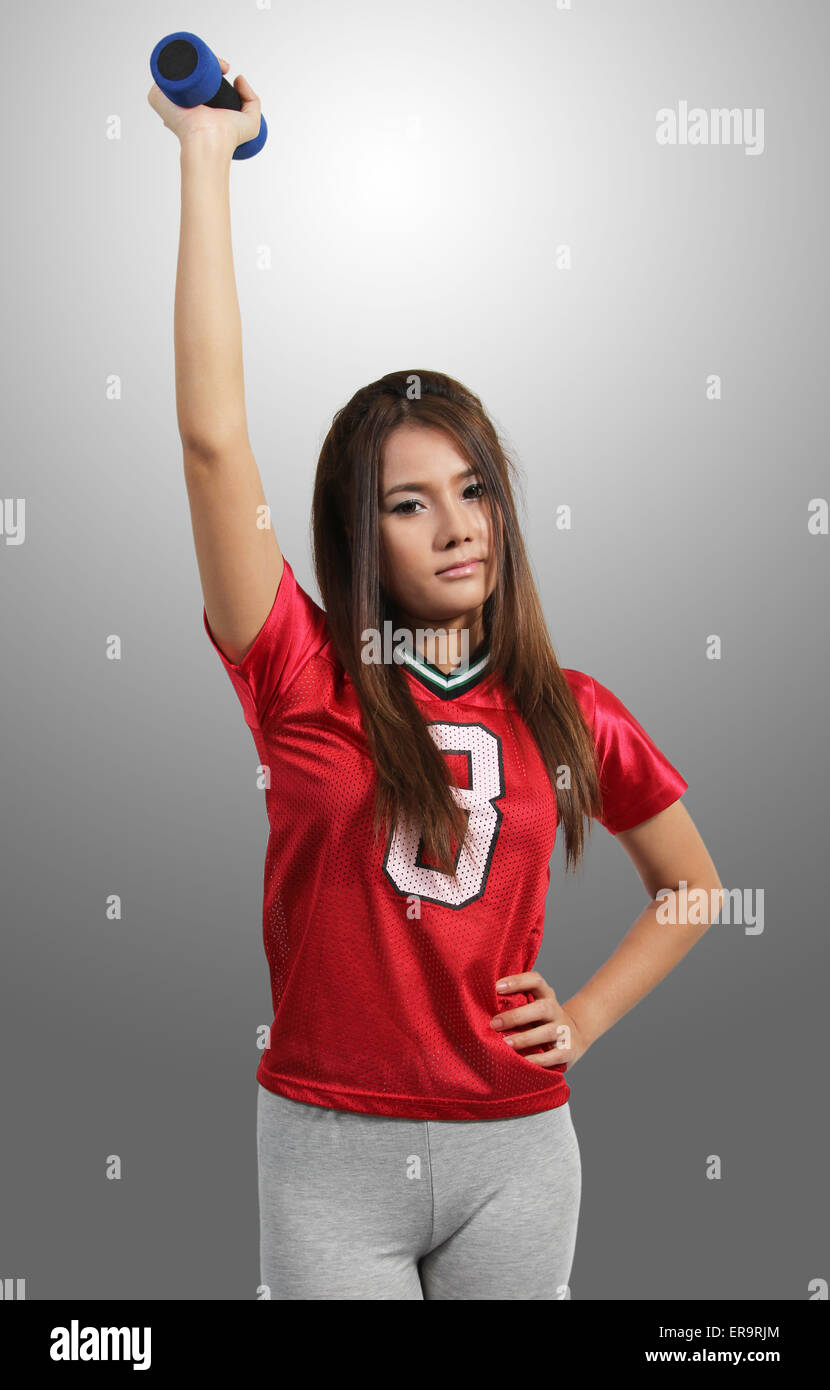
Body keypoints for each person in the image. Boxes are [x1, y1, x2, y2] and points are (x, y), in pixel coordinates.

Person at [148, 62, 724, 1301]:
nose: (456, 523)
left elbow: (692, 889)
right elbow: (211, 441)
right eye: (410, 503)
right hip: (326, 1146)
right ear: (364, 540)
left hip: (518, 1151)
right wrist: (205, 156)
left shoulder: (572, 709)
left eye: (474, 489)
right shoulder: (301, 672)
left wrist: (580, 1019)